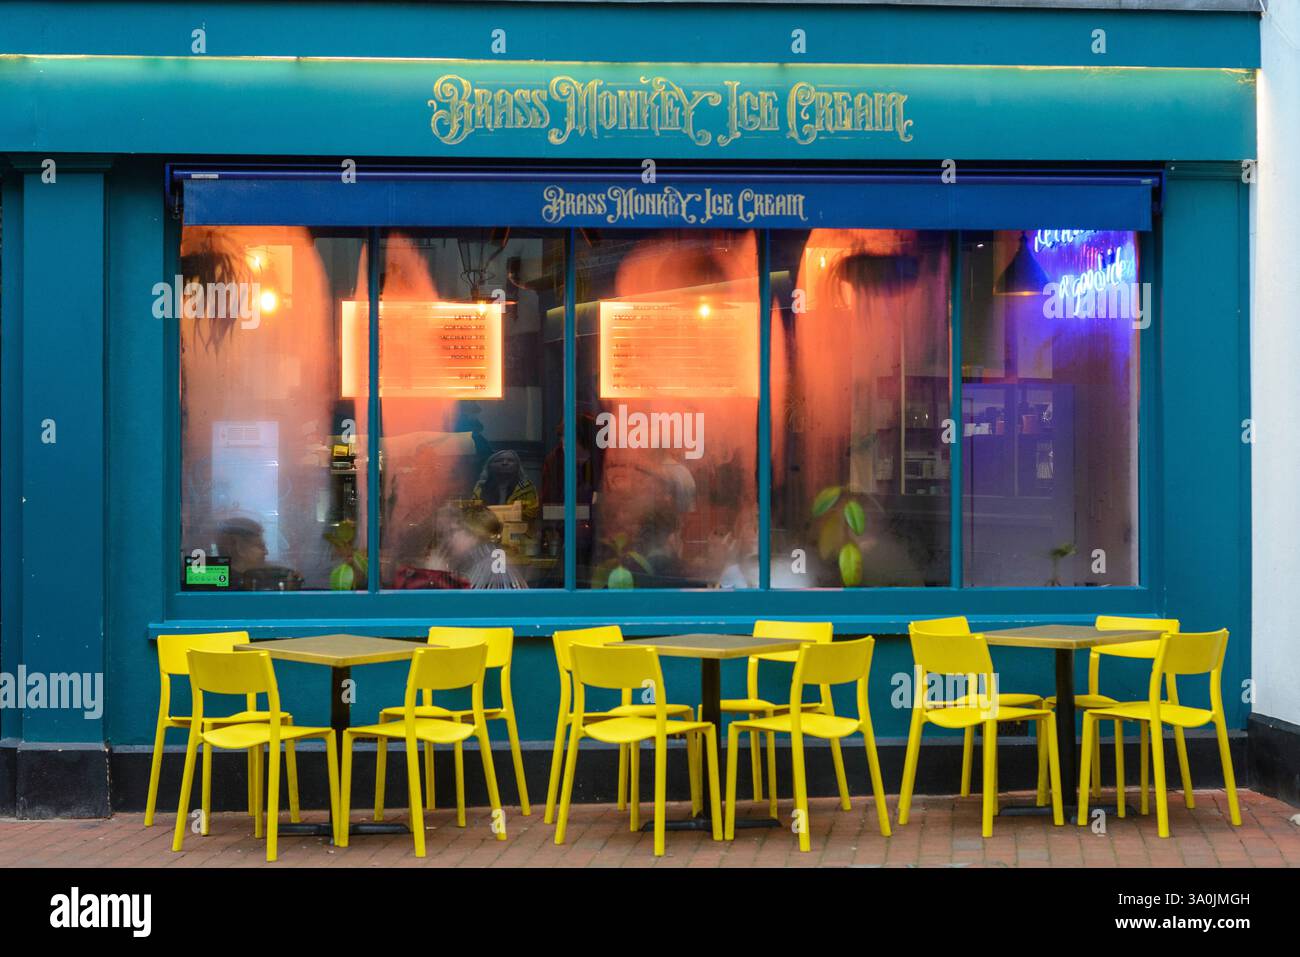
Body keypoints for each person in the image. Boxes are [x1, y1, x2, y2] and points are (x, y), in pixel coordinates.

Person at [214, 516, 303, 590]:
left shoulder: (215, 575)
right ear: (239, 548)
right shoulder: (232, 587)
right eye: (260, 546)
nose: (266, 552)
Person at [470, 449, 540, 520]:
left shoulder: (526, 487)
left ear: (517, 466)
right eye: (499, 460)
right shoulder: (481, 486)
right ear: (490, 466)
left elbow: (532, 512)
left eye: (510, 460)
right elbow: (473, 511)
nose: (505, 463)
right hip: (487, 528)